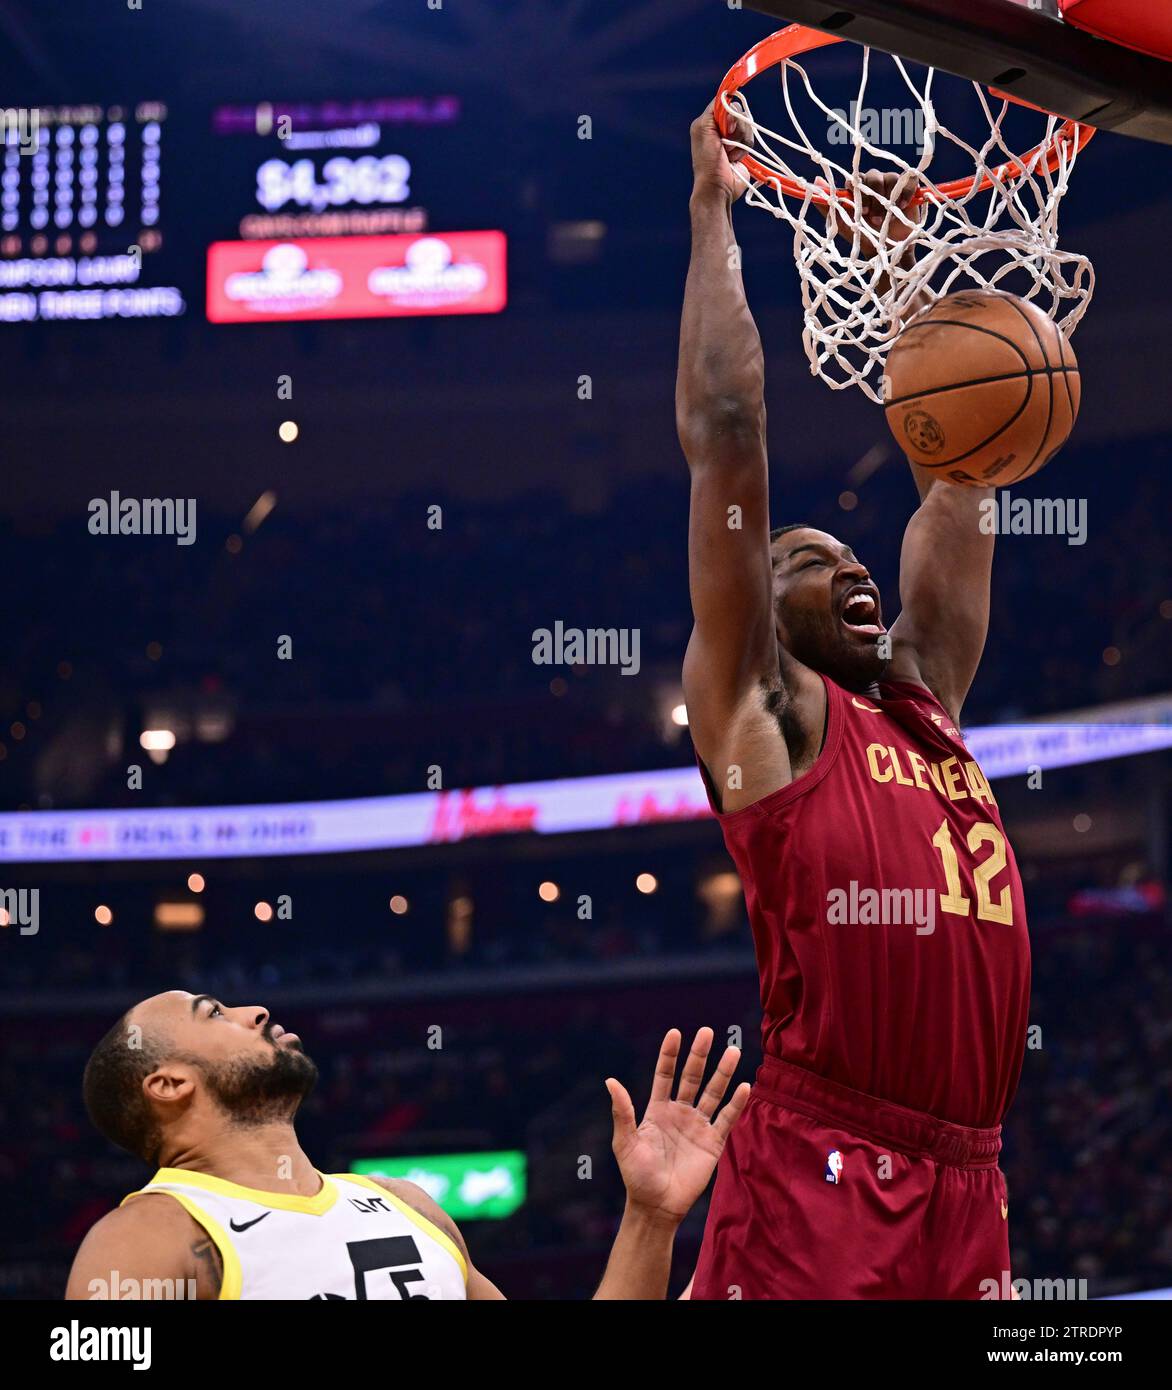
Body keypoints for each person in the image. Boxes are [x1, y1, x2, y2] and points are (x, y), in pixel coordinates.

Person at [676, 103, 1031, 1300]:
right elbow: (726, 436)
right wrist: (714, 217)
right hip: (824, 1167)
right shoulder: (759, 720)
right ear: (759, 615)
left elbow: (956, 475)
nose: (850, 565)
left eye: (850, 551)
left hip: (967, 1176)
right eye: (807, 559)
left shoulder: (923, 700)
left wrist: (906, 288)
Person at [68, 992, 748, 1300]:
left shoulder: (405, 1205)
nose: (256, 1012)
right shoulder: (148, 1236)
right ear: (167, 1082)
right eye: (212, 1013)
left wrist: (650, 1217)